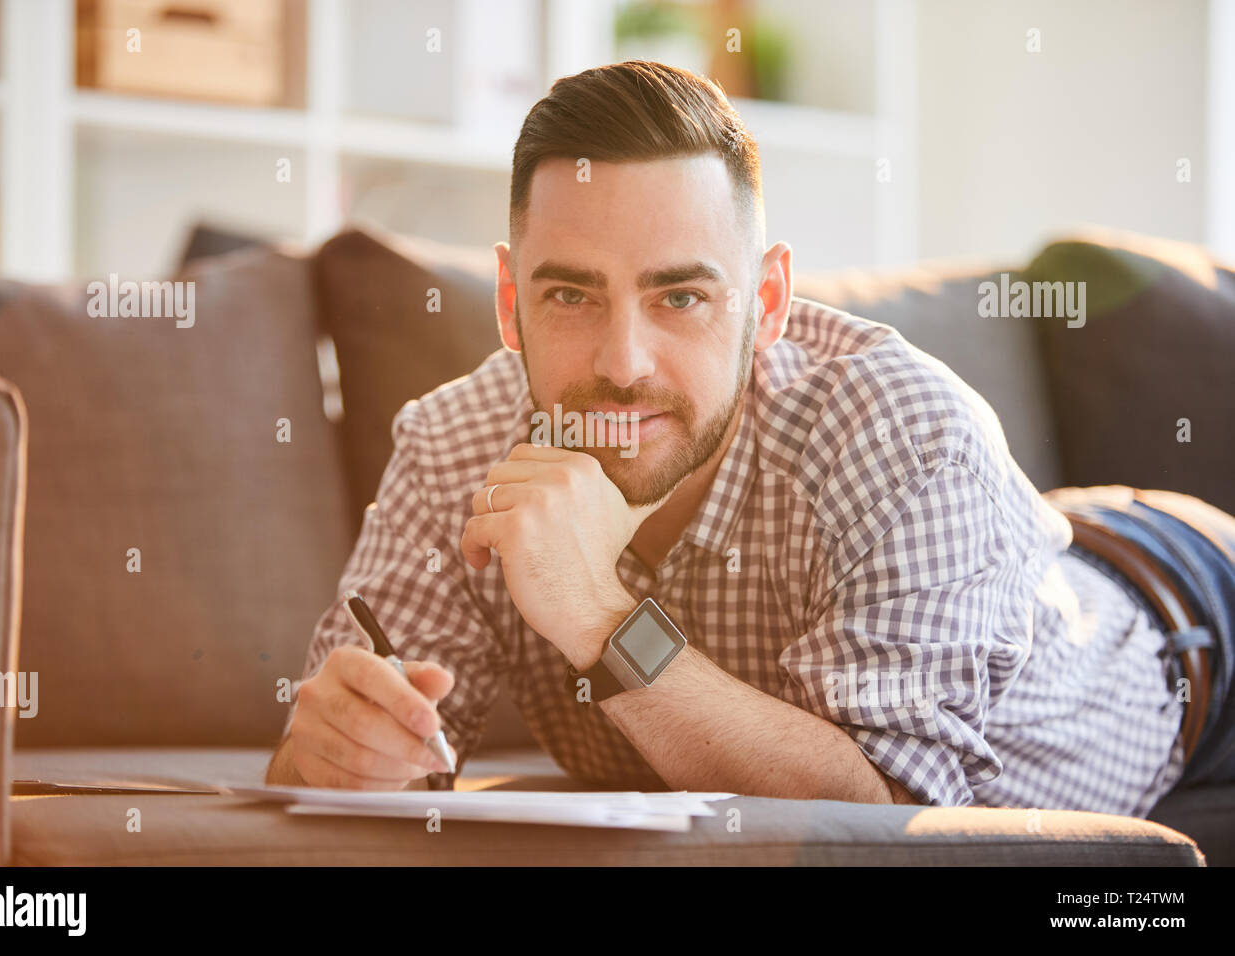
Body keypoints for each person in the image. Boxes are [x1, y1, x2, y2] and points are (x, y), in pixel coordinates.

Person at [266, 61, 1234, 815]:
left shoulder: (904, 429)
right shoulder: (453, 442)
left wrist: (602, 618)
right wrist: (339, 753)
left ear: (765, 300)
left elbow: (884, 822)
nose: (624, 361)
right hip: (1020, 552)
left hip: (1184, 616)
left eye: (679, 295)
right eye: (571, 294)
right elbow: (359, 770)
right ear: (511, 303)